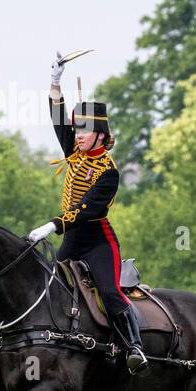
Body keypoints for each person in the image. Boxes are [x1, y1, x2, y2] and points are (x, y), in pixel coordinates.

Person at [27, 53, 147, 373]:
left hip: (97, 240)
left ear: (101, 136)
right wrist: (55, 83)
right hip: (71, 239)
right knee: (51, 285)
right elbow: (57, 118)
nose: (77, 135)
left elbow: (88, 210)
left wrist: (53, 225)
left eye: (84, 131)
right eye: (77, 130)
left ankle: (134, 347)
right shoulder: (74, 152)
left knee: (109, 290)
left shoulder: (109, 172)